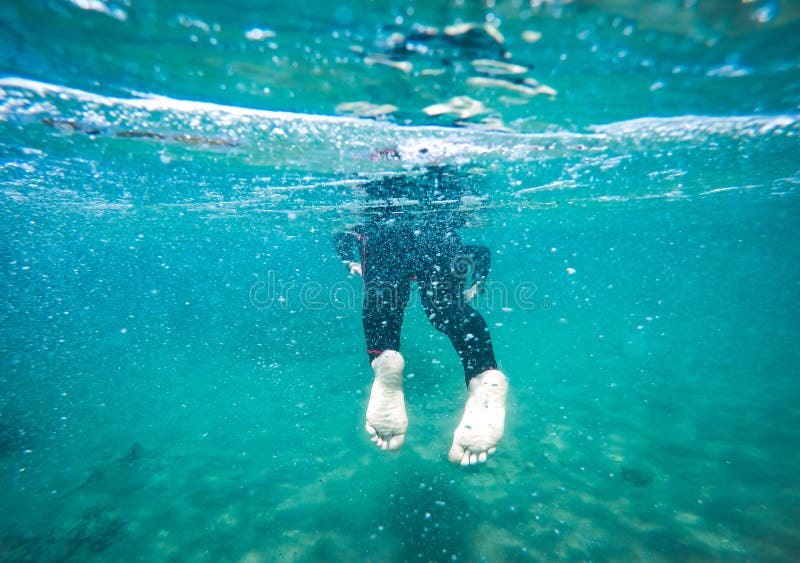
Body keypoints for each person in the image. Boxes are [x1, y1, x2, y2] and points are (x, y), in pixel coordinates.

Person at [335, 164, 508, 465]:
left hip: (384, 236)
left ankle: (385, 358)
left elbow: (341, 237)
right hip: (438, 235)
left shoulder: (371, 207)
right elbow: (481, 252)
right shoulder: (446, 198)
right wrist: (479, 280)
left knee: (383, 307)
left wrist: (350, 260)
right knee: (448, 312)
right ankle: (484, 374)